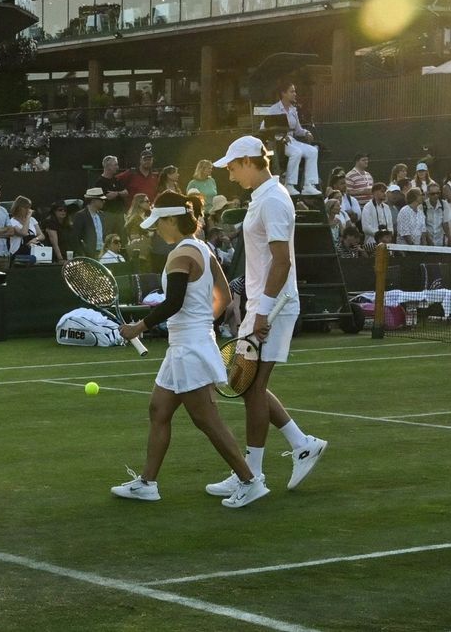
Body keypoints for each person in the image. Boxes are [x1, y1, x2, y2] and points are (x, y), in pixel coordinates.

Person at [112, 191, 268, 507]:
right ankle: (148, 483)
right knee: (159, 410)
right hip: (188, 344)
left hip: (189, 349)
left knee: (206, 419)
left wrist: (136, 328)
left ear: (172, 220)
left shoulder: (180, 255)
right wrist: (198, 324)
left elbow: (173, 302)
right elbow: (223, 298)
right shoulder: (203, 249)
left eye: (159, 223)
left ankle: (249, 481)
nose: (155, 229)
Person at [207, 135, 327, 495]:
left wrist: (261, 311)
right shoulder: (264, 197)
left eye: (231, 167)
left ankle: (252, 476)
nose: (229, 175)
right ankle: (301, 444)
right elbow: (264, 260)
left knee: (252, 387)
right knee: (244, 384)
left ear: (248, 162)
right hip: (260, 305)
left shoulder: (274, 199)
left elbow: (282, 261)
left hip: (272, 308)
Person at [262, 82, 319, 196]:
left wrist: (306, 132)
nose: (295, 94)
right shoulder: (273, 109)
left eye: (295, 91)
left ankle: (309, 185)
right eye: (292, 91)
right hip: (279, 143)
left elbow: (298, 130)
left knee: (313, 151)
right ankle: (289, 185)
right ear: (283, 93)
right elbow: (264, 128)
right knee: (296, 152)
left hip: (292, 141)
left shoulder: (293, 110)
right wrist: (280, 137)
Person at [72, 187, 109, 258]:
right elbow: (75, 238)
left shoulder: (102, 215)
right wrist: (82, 255)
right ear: (93, 201)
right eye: (101, 200)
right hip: (88, 255)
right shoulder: (80, 215)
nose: (104, 202)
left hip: (103, 254)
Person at [5, 196, 43, 262]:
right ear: (19, 208)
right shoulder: (12, 222)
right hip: (18, 253)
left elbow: (41, 235)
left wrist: (35, 239)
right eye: (25, 208)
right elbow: (24, 233)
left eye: (29, 207)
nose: (28, 210)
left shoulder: (32, 220)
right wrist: (28, 218)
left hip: (33, 250)